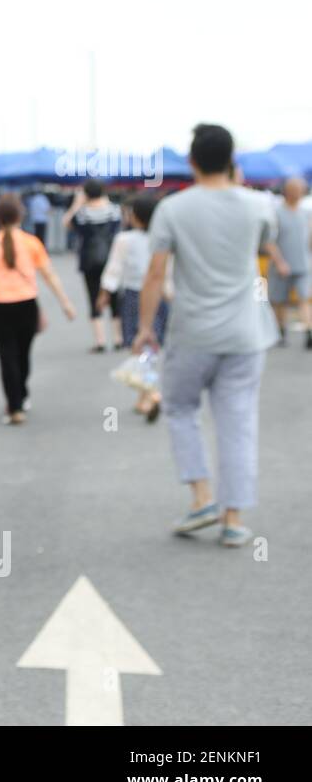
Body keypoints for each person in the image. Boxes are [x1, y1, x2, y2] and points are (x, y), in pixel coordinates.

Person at [135, 124, 283, 548]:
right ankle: (233, 520)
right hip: (246, 333)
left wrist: (145, 328)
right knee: (238, 421)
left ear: (192, 161)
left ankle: (201, 496)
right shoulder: (258, 206)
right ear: (233, 161)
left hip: (193, 331)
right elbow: (262, 245)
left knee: (180, 408)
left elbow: (155, 273)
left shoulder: (172, 209)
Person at [0, 193, 77, 425]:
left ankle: (15, 406)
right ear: (20, 215)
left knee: (7, 357)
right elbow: (49, 275)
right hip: (27, 305)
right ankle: (20, 395)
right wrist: (65, 303)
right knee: (23, 355)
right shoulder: (31, 243)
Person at [97, 192, 169, 420]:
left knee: (140, 346)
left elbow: (114, 269)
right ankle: (144, 396)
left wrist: (104, 293)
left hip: (133, 297)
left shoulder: (125, 240)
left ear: (135, 216)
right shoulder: (163, 239)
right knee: (151, 347)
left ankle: (151, 393)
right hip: (160, 297)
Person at [64, 179, 121, 352]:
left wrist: (76, 204)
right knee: (115, 296)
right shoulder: (114, 210)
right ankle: (119, 338)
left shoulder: (82, 213)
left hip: (89, 259)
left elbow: (67, 223)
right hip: (112, 257)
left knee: (93, 295)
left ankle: (100, 340)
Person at [269, 177, 311, 347]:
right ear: (286, 191)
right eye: (294, 189)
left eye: (300, 189)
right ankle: (280, 330)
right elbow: (269, 242)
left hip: (303, 265)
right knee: (279, 300)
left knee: (304, 298)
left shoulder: (306, 214)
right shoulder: (276, 213)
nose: (298, 193)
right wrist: (279, 262)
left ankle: (309, 331)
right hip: (281, 265)